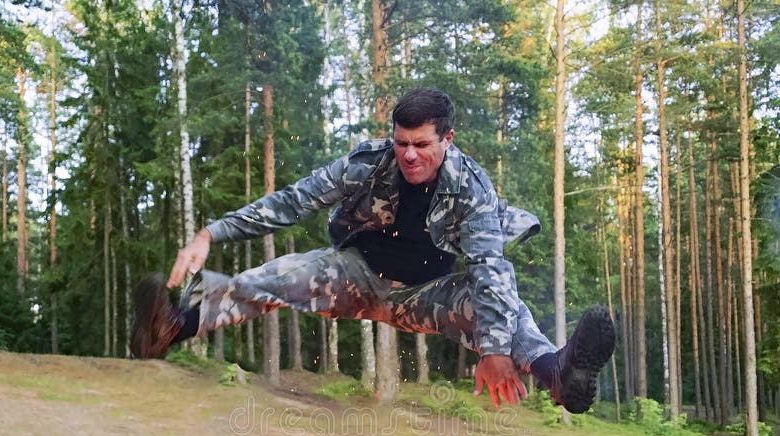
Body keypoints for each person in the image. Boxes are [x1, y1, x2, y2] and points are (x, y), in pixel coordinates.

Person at [131, 87, 615, 413]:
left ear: (447, 139)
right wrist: (210, 233)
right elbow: (293, 202)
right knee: (280, 276)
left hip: (429, 294)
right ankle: (172, 327)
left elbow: (489, 266)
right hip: (358, 276)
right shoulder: (365, 164)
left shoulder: (472, 188)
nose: (409, 155)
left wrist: (492, 351)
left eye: (422, 145)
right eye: (402, 142)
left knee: (505, 302)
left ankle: (558, 373)